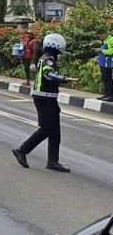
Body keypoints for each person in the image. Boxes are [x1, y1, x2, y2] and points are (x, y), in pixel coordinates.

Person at [12, 33, 77, 173]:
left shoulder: (48, 57)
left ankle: (53, 161)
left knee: (55, 132)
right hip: (44, 98)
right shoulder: (48, 60)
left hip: (48, 98)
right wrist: (64, 79)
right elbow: (49, 74)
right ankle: (21, 150)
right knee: (46, 129)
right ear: (57, 47)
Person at [95, 28, 113, 102]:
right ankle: (106, 94)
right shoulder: (105, 41)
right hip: (103, 63)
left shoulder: (111, 40)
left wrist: (101, 50)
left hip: (108, 64)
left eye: (100, 36)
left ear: (104, 33)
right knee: (105, 79)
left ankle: (110, 96)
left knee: (108, 80)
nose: (100, 38)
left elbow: (111, 51)